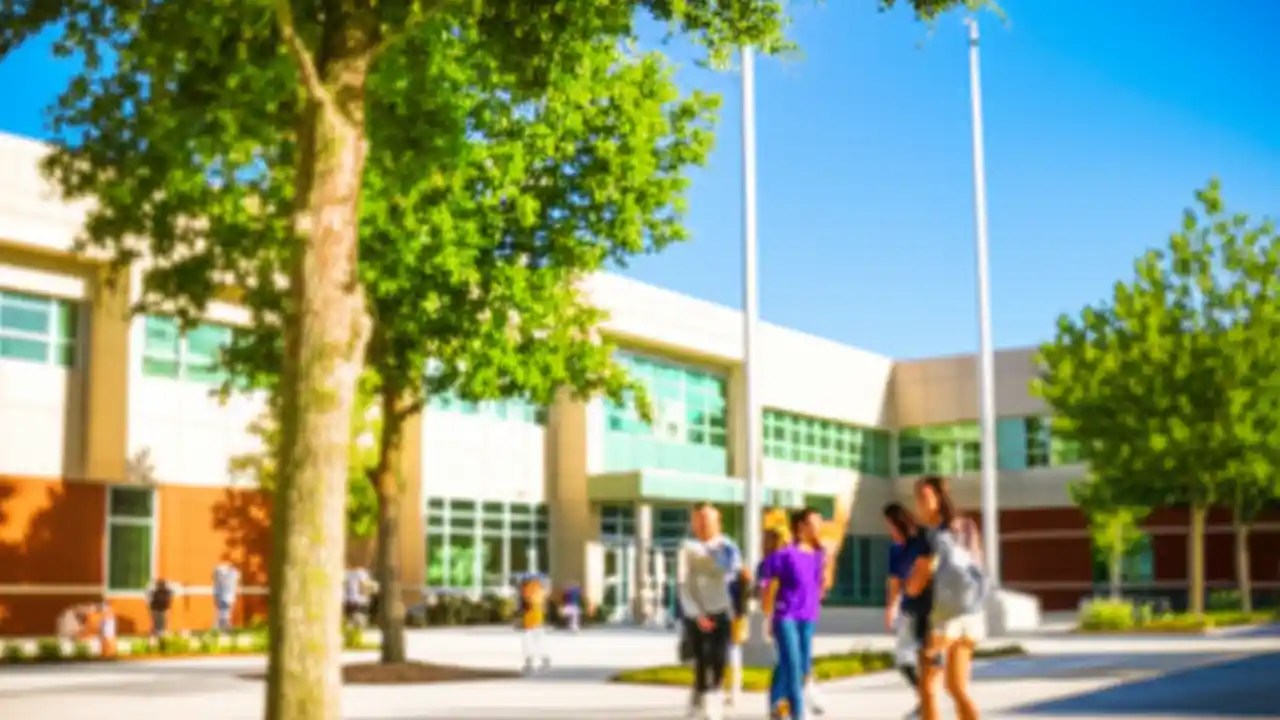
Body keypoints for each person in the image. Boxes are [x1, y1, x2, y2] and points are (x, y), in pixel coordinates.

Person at [905, 476, 987, 720]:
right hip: (972, 613)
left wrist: (907, 595)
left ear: (936, 499)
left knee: (928, 688)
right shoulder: (966, 526)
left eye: (922, 497)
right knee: (957, 687)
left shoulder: (929, 536)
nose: (918, 503)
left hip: (943, 619)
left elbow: (919, 579)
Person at [759, 508, 829, 720]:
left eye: (819, 523)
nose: (819, 527)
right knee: (793, 665)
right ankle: (798, 712)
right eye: (814, 523)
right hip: (786, 615)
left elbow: (819, 586)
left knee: (799, 663)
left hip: (808, 616)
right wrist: (767, 610)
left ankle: (777, 705)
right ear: (801, 527)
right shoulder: (786, 554)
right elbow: (764, 573)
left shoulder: (819, 555)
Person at [677, 502, 741, 720]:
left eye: (709, 520)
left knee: (720, 658)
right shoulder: (686, 548)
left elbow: (732, 570)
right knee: (703, 659)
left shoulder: (727, 546)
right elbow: (682, 583)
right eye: (700, 520)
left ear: (718, 522)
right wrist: (696, 614)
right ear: (694, 523)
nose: (704, 524)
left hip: (721, 609)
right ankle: (706, 705)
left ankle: (709, 696)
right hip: (696, 612)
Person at [884, 501, 927, 719]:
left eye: (889, 525)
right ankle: (925, 700)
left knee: (919, 658)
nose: (888, 530)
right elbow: (894, 582)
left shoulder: (919, 544)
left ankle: (926, 703)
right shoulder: (896, 549)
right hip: (909, 608)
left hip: (924, 608)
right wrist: (891, 607)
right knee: (904, 659)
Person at [725, 565, 752, 709]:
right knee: (734, 654)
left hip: (734, 621)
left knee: (733, 655)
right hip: (737, 620)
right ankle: (735, 690)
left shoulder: (735, 585)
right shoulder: (739, 585)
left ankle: (734, 691)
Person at [518, 574, 551, 674]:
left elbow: (525, 605)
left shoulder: (528, 591)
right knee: (538, 641)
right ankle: (543, 659)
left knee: (528, 641)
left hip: (531, 622)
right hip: (536, 621)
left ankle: (531, 660)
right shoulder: (539, 591)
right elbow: (545, 596)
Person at [213, 561, 240, 632]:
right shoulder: (230, 574)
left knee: (224, 612)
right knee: (224, 612)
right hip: (225, 597)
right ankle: (223, 627)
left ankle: (223, 627)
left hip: (226, 596)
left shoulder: (231, 574)